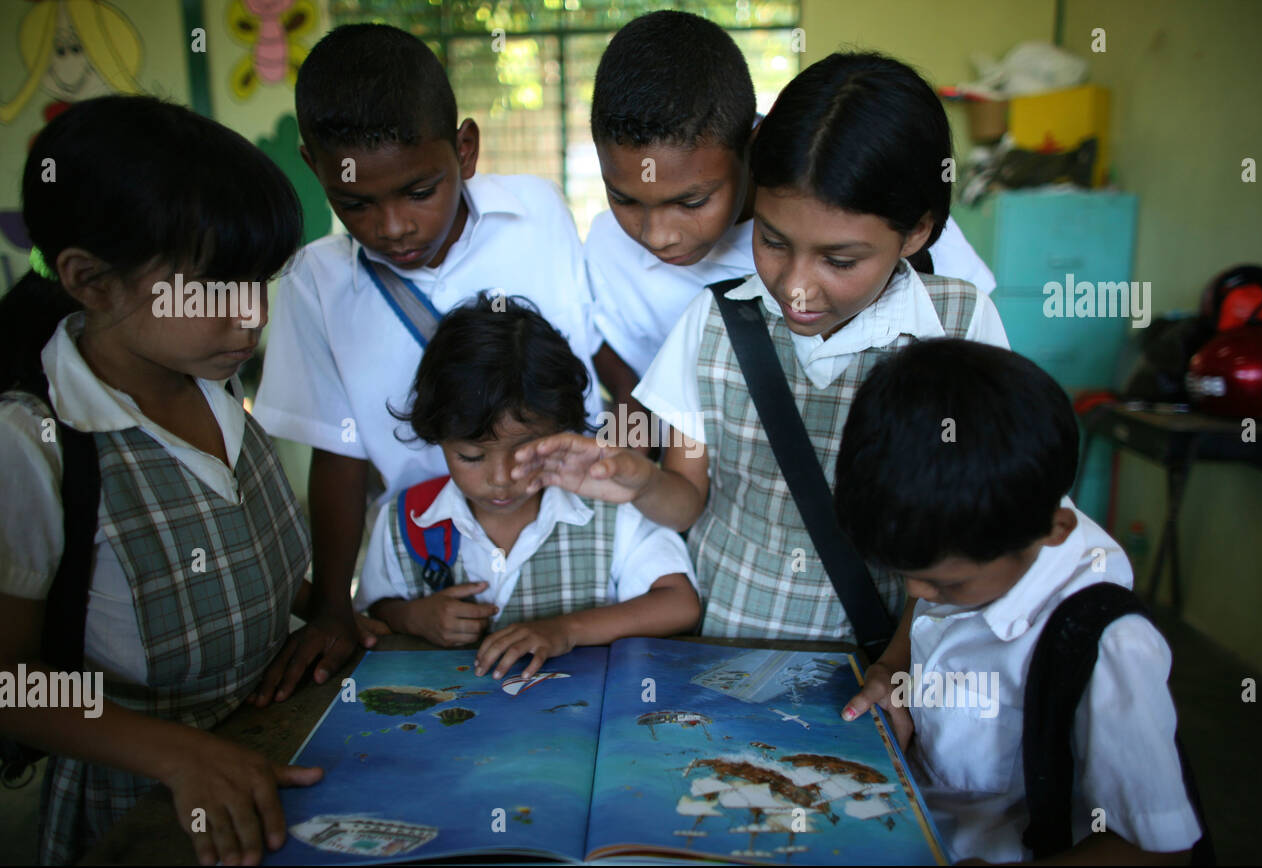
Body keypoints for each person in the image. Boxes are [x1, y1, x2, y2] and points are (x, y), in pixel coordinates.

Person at [516, 52, 1008, 644]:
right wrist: (637, 482)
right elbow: (687, 500)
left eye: (839, 260)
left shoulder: (956, 324)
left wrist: (898, 666)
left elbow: (963, 528)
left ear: (917, 233)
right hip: (726, 652)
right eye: (773, 241)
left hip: (879, 655)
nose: (796, 285)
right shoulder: (714, 323)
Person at [0, 95, 321, 866]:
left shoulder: (217, 385)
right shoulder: (36, 445)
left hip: (270, 750)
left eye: (261, 282)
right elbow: (11, 686)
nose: (251, 320)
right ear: (90, 281)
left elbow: (242, 553)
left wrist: (332, 612)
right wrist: (175, 755)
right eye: (214, 289)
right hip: (135, 810)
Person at [253, 24, 602, 696]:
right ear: (314, 165)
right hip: (427, 560)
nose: (392, 227)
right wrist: (332, 606)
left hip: (568, 531)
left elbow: (584, 362)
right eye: (355, 202)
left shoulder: (536, 214)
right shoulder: (315, 284)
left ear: (464, 150)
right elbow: (339, 454)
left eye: (418, 191)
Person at [834, 338, 1202, 864]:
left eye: (944, 586)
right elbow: (924, 614)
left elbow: (1155, 851)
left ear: (1055, 531)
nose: (917, 595)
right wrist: (891, 671)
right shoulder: (971, 536)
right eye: (905, 577)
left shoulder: (1105, 644)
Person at [586, 12, 996, 421]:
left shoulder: (873, 211)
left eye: (692, 203)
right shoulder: (608, 249)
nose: (658, 236)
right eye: (624, 199)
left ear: (754, 147)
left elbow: (971, 349)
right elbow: (617, 368)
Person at [356, 294, 699, 679]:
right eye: (471, 457)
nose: (502, 478)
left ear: (561, 429)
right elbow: (376, 608)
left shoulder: (608, 507)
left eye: (525, 454)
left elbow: (680, 604)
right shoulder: (406, 522)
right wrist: (411, 617)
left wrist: (566, 630)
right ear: (438, 436)